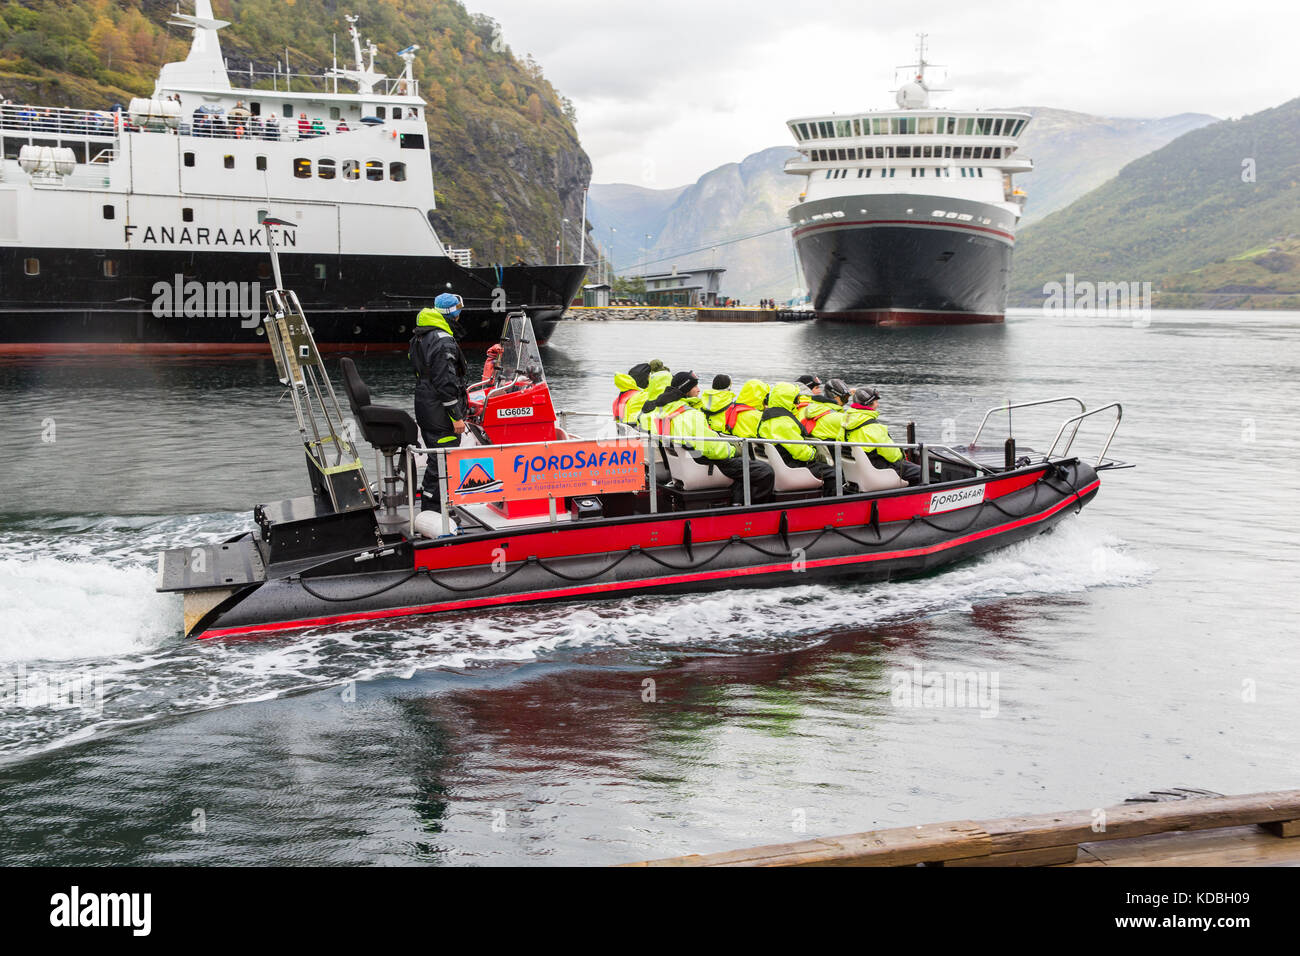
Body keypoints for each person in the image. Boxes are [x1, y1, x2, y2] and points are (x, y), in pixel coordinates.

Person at [654, 371, 773, 505]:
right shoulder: (691, 415)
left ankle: (736, 505)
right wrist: (732, 450)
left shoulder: (664, 412)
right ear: (686, 389)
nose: (699, 390)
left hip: (687, 462)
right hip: (705, 463)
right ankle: (752, 513)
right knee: (765, 471)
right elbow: (711, 448)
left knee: (743, 470)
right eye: (695, 386)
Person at [409, 293, 469, 513]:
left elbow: (421, 371)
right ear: (450, 312)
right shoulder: (443, 340)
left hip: (425, 405)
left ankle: (432, 505)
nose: (460, 314)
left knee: (436, 458)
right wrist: (456, 415)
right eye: (457, 309)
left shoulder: (420, 336)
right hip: (440, 413)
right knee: (443, 460)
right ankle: (434, 510)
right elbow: (445, 381)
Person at [758, 382, 839, 494]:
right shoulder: (783, 422)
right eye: (795, 400)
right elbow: (802, 453)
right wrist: (814, 452)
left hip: (777, 465)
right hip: (791, 467)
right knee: (833, 473)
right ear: (787, 400)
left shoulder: (767, 417)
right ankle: (834, 505)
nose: (797, 404)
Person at [842, 386, 921, 485]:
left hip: (858, 469)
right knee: (921, 471)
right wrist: (903, 458)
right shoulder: (873, 426)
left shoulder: (845, 422)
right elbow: (893, 456)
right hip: (877, 469)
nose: (878, 404)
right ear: (869, 404)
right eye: (876, 402)